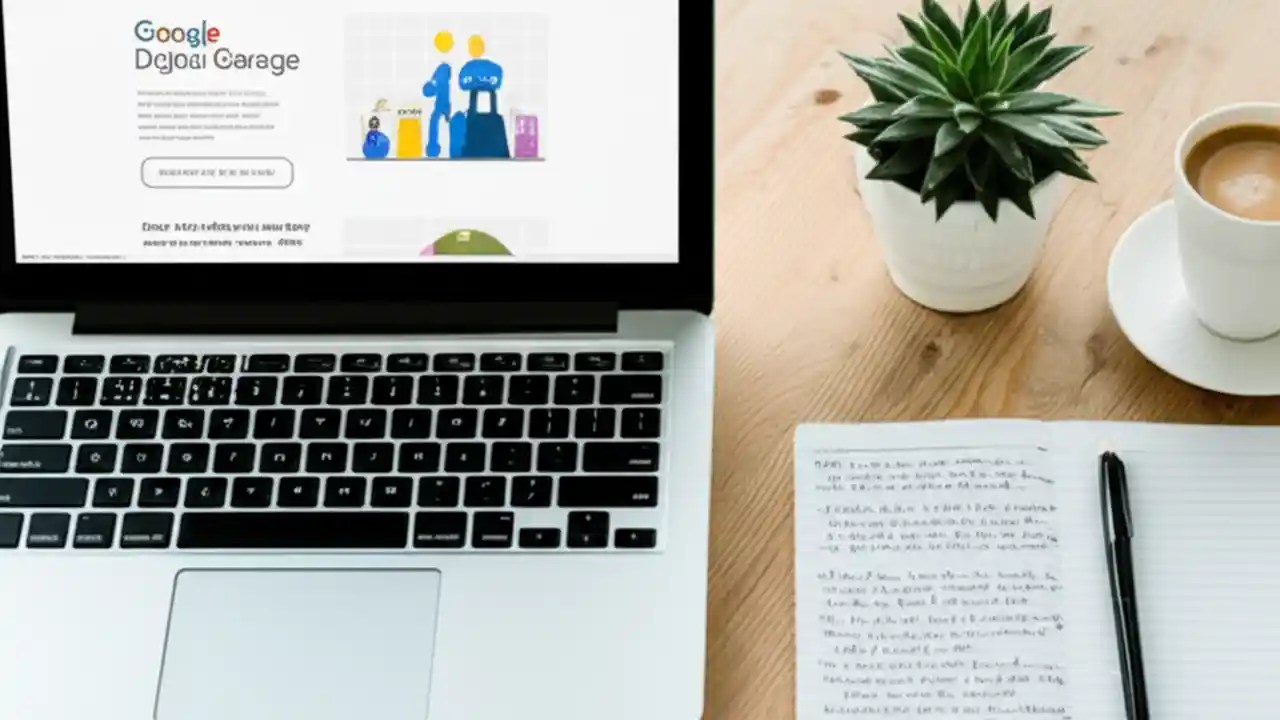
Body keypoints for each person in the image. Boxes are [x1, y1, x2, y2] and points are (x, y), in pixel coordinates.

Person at [421, 31, 455, 158]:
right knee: (436, 121)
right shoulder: (443, 68)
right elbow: (432, 87)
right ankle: (434, 148)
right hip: (444, 103)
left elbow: (432, 88)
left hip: (442, 103)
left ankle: (433, 148)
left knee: (435, 120)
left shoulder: (442, 68)